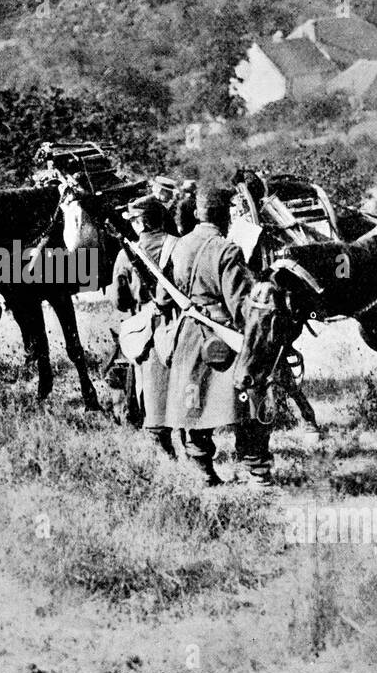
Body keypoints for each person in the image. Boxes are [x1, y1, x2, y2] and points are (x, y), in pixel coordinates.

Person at [161, 186, 274, 486]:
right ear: (225, 215)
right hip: (223, 337)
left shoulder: (178, 246)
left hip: (188, 334)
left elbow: (164, 296)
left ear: (198, 213)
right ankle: (257, 471)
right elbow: (239, 306)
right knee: (251, 401)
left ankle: (202, 471)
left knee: (193, 404)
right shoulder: (228, 249)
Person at [111, 196, 178, 457]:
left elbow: (120, 301)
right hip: (180, 325)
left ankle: (162, 447)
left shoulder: (125, 255)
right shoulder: (179, 246)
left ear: (140, 223)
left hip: (147, 330)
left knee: (150, 390)